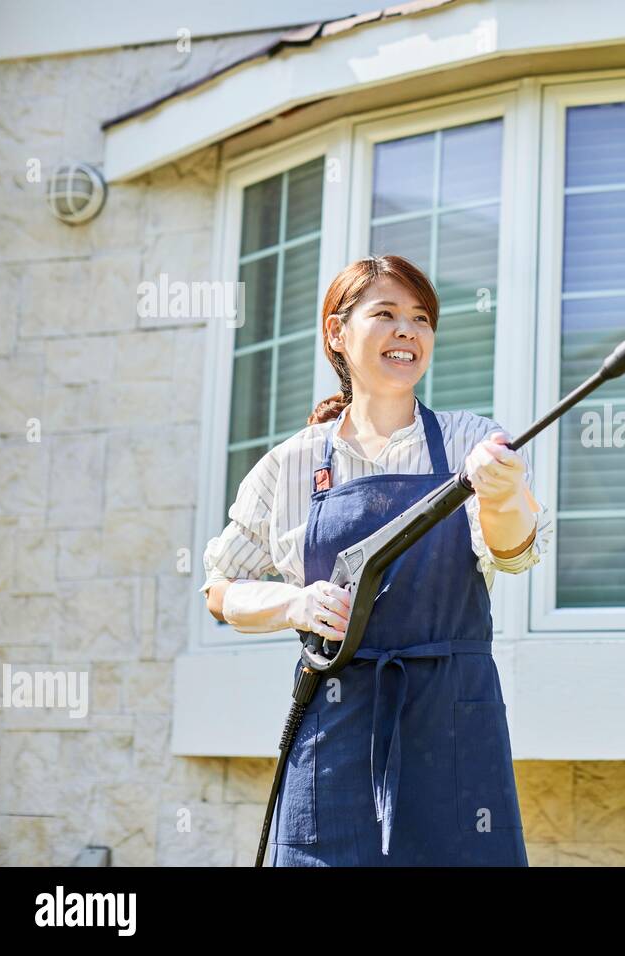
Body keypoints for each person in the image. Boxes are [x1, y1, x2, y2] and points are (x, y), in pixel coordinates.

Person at [199, 254, 548, 866]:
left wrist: (502, 494)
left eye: (420, 318)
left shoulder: (472, 441)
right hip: (336, 730)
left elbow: (515, 552)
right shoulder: (291, 465)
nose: (406, 331)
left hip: (453, 725)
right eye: (384, 314)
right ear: (338, 332)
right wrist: (295, 603)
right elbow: (221, 590)